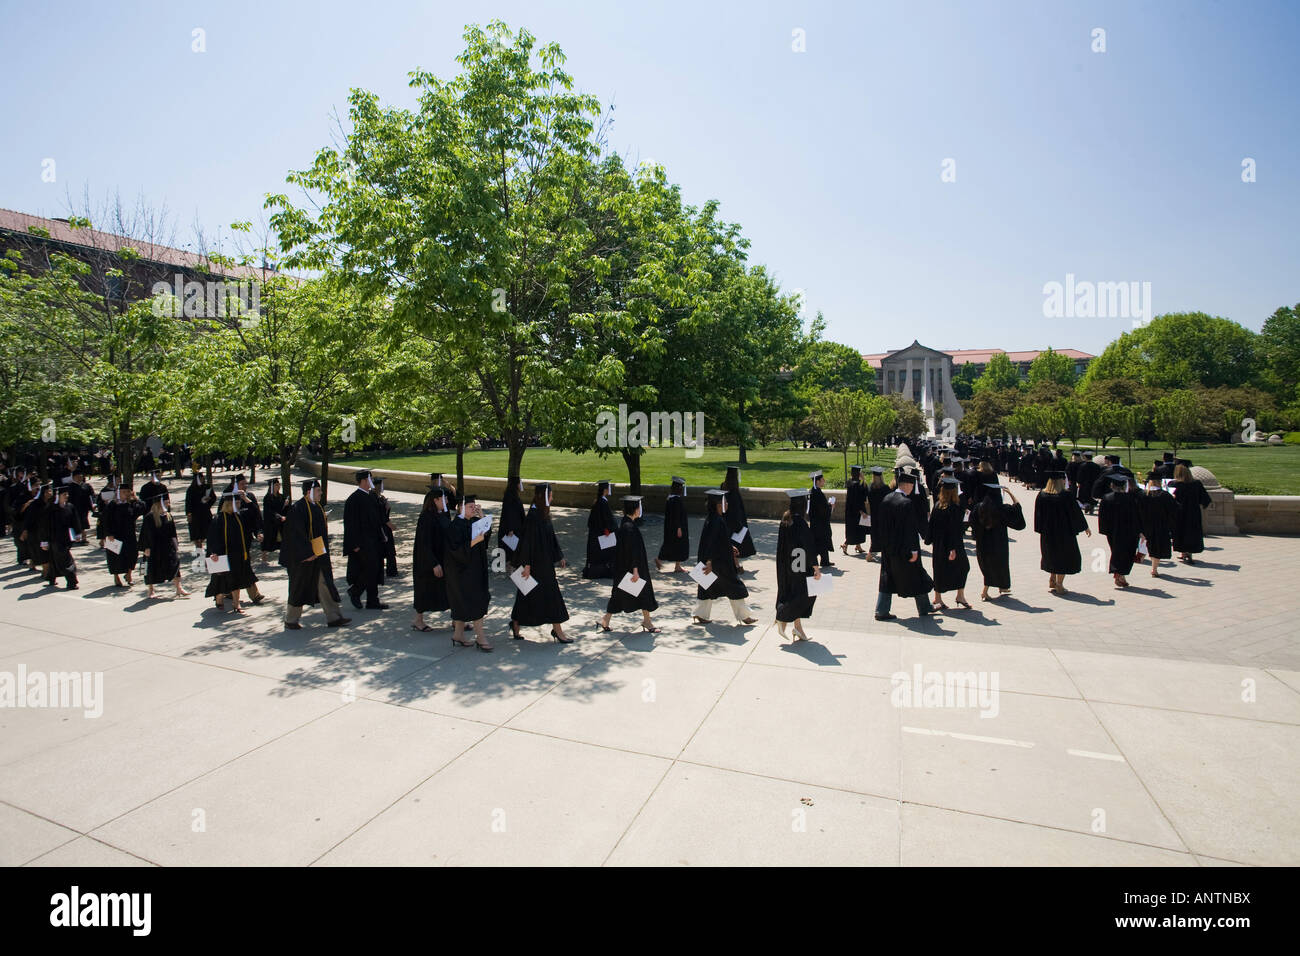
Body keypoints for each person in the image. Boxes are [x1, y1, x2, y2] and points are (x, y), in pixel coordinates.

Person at [281, 478, 350, 630]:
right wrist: (307, 552)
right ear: (309, 491)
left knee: (324, 584)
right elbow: (296, 534)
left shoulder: (317, 507)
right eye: (318, 490)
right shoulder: (298, 509)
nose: (321, 493)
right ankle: (291, 619)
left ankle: (334, 617)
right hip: (302, 558)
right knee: (298, 586)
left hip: (318, 555)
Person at [874, 468, 938, 621]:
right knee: (916, 575)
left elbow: (879, 525)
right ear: (907, 486)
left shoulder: (887, 499)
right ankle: (924, 607)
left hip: (889, 548)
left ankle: (881, 610)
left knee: (887, 577)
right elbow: (910, 530)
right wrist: (914, 550)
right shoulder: (907, 503)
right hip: (905, 549)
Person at [511, 483, 571, 642]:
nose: (552, 498)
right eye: (550, 495)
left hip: (544, 564)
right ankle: (517, 623)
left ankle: (556, 629)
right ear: (544, 496)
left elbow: (551, 538)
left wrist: (559, 557)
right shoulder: (533, 516)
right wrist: (527, 566)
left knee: (546, 596)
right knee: (528, 596)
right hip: (535, 566)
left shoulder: (543, 514)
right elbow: (527, 543)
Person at [693, 488, 757, 625]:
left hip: (717, 560)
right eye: (725, 502)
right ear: (718, 504)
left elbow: (719, 539)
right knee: (734, 587)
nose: (727, 504)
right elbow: (711, 543)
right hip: (719, 562)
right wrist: (709, 562)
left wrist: (730, 547)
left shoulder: (714, 519)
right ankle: (745, 616)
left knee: (707, 586)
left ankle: (700, 614)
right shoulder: (716, 521)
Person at [598, 495, 659, 634]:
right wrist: (635, 571)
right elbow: (632, 551)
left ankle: (606, 619)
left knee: (620, 594)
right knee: (640, 593)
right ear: (635, 509)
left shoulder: (626, 524)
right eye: (639, 507)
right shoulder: (629, 527)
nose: (640, 510)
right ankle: (647, 621)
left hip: (626, 567)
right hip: (632, 568)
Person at [444, 494, 493, 651]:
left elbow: (486, 533)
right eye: (471, 507)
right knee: (474, 603)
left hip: (476, 570)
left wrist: (482, 515)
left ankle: (458, 635)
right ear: (460, 508)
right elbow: (455, 552)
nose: (474, 509)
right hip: (462, 573)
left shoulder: (473, 522)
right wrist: (474, 541)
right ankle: (481, 638)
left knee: (464, 604)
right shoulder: (454, 526)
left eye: (475, 506)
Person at [205, 490, 265, 613]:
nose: (239, 505)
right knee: (222, 583)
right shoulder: (219, 519)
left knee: (236, 580)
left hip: (239, 555)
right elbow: (212, 538)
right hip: (224, 555)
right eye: (236, 503)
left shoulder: (240, 516)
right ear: (229, 504)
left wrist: (247, 500)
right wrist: (213, 553)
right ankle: (218, 598)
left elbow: (255, 514)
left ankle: (236, 605)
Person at [1033, 470, 1091, 594]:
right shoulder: (1066, 496)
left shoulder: (1041, 495)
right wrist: (1085, 527)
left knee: (1051, 555)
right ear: (1061, 480)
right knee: (1064, 557)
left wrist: (1040, 529)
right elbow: (1075, 513)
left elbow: (1038, 515)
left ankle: (1052, 578)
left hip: (1048, 533)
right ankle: (1059, 584)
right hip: (1064, 533)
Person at [775, 488, 820, 640]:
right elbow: (808, 546)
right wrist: (815, 567)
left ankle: (798, 628)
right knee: (804, 595)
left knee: (794, 593)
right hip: (800, 565)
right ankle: (782, 616)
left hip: (788, 565)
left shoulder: (785, 519)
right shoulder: (800, 522)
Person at [973, 483, 1025, 601]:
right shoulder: (1002, 509)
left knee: (987, 566)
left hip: (983, 543)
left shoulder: (979, 507)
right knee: (999, 565)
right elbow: (1017, 509)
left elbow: (973, 523)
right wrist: (1011, 494)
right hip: (998, 542)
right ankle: (984, 592)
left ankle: (1002, 587)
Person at [343, 470, 387, 610]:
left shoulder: (371, 497)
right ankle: (355, 591)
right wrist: (354, 544)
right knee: (370, 568)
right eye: (370, 479)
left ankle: (372, 600)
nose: (372, 482)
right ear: (363, 480)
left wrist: (382, 533)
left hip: (374, 539)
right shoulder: (354, 499)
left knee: (375, 569)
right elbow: (350, 524)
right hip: (362, 541)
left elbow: (377, 518)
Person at [411, 486, 451, 632]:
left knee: (449, 590)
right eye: (444, 498)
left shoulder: (444, 514)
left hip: (443, 558)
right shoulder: (426, 518)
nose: (446, 500)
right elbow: (424, 543)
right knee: (424, 590)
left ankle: (457, 620)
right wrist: (434, 563)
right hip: (428, 561)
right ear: (435, 500)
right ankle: (418, 620)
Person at [928, 476, 971, 610]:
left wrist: (929, 539)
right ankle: (960, 595)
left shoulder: (937, 505)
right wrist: (952, 549)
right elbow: (954, 529)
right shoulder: (954, 507)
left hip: (939, 543)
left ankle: (938, 597)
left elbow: (931, 525)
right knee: (963, 567)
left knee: (939, 569)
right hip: (953, 544)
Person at [138, 491, 189, 599]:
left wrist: (176, 545)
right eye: (166, 503)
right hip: (153, 547)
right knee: (150, 568)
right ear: (159, 504)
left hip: (167, 547)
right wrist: (145, 548)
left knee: (174, 565)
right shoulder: (149, 517)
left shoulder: (168, 516)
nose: (168, 505)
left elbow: (173, 533)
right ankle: (151, 590)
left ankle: (179, 588)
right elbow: (144, 534)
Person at [1098, 473, 1142, 588]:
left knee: (1116, 550)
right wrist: (1140, 531)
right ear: (1124, 486)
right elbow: (1136, 516)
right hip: (1129, 530)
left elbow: (1102, 516)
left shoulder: (1106, 498)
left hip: (1112, 530)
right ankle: (1120, 574)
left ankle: (1119, 573)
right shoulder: (1130, 499)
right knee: (1127, 553)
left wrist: (1104, 530)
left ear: (1112, 485)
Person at [102, 485, 146, 588]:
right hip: (114, 535)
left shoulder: (131, 504)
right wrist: (108, 534)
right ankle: (116, 576)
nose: (126, 494)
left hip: (129, 534)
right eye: (123, 492)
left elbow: (143, 508)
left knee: (132, 555)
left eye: (127, 492)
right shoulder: (112, 505)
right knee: (114, 557)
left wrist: (136, 498)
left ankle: (129, 574)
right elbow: (106, 520)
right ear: (118, 493)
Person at [1137, 470, 1179, 578]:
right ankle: (1154, 569)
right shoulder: (1165, 495)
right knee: (1157, 548)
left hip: (1146, 525)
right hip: (1161, 525)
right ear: (1160, 482)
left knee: (1149, 545)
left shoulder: (1143, 495)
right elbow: (1174, 510)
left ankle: (1151, 565)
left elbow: (1137, 510)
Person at [1169, 463, 1212, 563]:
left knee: (1180, 533)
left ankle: (1183, 552)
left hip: (1179, 514)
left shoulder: (1174, 484)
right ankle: (1189, 553)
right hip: (1193, 513)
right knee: (1192, 533)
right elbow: (1205, 499)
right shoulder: (1196, 484)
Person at [41, 485, 80, 590]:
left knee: (54, 558)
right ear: (58, 496)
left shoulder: (70, 507)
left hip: (67, 538)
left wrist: (77, 533)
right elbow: (45, 526)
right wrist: (44, 541)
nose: (67, 496)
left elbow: (75, 521)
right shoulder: (50, 509)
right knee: (67, 560)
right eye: (64, 494)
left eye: (67, 494)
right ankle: (72, 582)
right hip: (55, 539)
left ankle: (51, 577)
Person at [721, 466, 756, 569]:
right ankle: (736, 566)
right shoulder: (734, 491)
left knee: (730, 543)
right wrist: (739, 525)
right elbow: (736, 509)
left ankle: (735, 564)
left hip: (726, 519)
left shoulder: (723, 486)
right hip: (734, 521)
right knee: (735, 544)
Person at [581, 480, 617, 579]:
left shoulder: (598, 501)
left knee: (598, 556)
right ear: (605, 490)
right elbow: (606, 519)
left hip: (596, 534)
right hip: (603, 534)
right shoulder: (602, 502)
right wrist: (610, 528)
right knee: (607, 554)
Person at [655, 477, 690, 573]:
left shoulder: (670, 498)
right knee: (677, 545)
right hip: (678, 526)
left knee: (670, 544)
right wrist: (679, 527)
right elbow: (677, 515)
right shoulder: (676, 500)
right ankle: (672, 564)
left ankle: (676, 565)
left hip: (670, 526)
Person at [807, 469, 834, 568]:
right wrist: (831, 506)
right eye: (823, 479)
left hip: (816, 522)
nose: (824, 481)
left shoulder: (812, 491)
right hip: (820, 523)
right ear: (817, 481)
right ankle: (816, 562)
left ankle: (825, 560)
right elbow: (823, 510)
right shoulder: (817, 493)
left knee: (821, 541)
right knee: (821, 541)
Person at [499, 475, 526, 569]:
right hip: (512, 528)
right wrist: (511, 529)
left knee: (512, 549)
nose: (520, 485)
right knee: (512, 549)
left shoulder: (511, 495)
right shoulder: (510, 497)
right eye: (519, 483)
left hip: (515, 526)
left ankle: (511, 566)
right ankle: (510, 567)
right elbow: (510, 514)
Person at [373, 476, 399, 578]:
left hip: (384, 527)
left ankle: (390, 570)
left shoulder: (381, 498)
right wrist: (390, 525)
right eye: (380, 484)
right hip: (381, 527)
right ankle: (388, 571)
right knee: (386, 549)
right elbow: (381, 516)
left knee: (388, 550)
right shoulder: (374, 498)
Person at [842, 464, 869, 556]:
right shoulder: (857, 485)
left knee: (853, 529)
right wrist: (861, 511)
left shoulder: (850, 482)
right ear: (858, 474)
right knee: (856, 530)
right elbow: (860, 498)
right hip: (857, 511)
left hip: (850, 511)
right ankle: (845, 544)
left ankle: (858, 546)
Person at [184, 472, 214, 550]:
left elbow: (213, 497)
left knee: (207, 532)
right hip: (195, 514)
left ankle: (208, 548)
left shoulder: (207, 487)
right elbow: (188, 502)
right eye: (200, 478)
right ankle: (198, 548)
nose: (202, 479)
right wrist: (189, 514)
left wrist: (208, 501)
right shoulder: (191, 489)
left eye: (203, 478)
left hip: (205, 513)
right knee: (196, 534)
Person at [865, 466, 888, 562]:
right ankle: (885, 554)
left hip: (874, 514)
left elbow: (867, 501)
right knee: (884, 535)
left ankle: (870, 554)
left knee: (874, 535)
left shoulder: (870, 487)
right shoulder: (885, 488)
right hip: (883, 515)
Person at [261, 477, 287, 554]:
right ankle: (264, 555)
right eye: (276, 485)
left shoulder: (281, 496)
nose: (278, 486)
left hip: (280, 522)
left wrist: (285, 505)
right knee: (268, 540)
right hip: (271, 522)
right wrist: (279, 516)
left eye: (279, 485)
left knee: (282, 540)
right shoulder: (267, 498)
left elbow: (283, 509)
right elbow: (269, 511)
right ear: (271, 486)